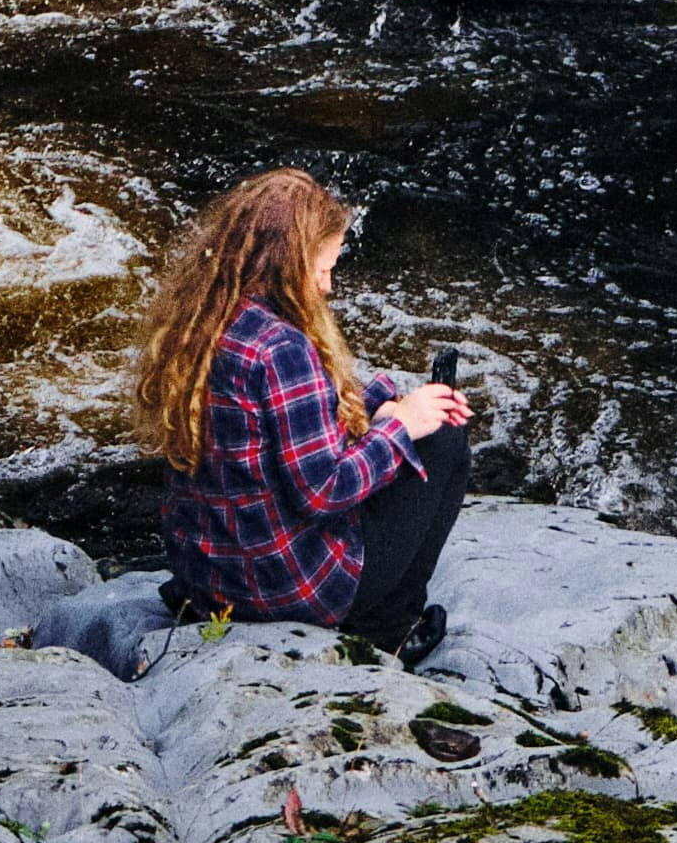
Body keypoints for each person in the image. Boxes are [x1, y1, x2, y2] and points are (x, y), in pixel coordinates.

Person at [130, 167, 476, 662]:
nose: (329, 286)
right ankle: (389, 629)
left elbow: (296, 425)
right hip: (280, 590)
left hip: (208, 581)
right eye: (322, 269)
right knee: (443, 444)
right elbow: (323, 492)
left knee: (414, 428)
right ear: (288, 264)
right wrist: (402, 427)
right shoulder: (281, 348)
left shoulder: (201, 324)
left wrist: (386, 403)